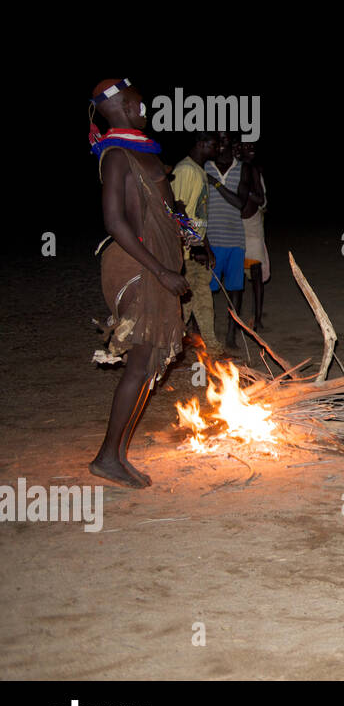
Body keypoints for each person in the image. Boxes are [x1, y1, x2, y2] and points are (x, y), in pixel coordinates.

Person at [88, 78, 189, 488]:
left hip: (155, 264)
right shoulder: (116, 155)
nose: (146, 110)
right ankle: (107, 456)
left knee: (147, 366)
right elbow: (115, 223)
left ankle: (116, 454)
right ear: (124, 107)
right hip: (135, 266)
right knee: (139, 365)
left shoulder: (142, 153)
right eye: (139, 103)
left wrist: (182, 228)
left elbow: (161, 212)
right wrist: (162, 271)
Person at [170, 129, 219, 348]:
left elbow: (199, 215)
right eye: (214, 145)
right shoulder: (186, 169)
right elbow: (177, 208)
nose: (217, 150)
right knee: (190, 302)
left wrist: (206, 247)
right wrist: (195, 244)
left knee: (199, 300)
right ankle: (174, 349)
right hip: (185, 250)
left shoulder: (198, 170)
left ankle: (210, 347)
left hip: (195, 248)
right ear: (201, 144)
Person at [205, 133, 253, 351]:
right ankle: (203, 334)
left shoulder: (242, 168)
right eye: (218, 141)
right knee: (205, 290)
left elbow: (239, 203)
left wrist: (215, 184)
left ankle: (231, 335)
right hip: (210, 239)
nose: (220, 145)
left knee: (235, 290)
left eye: (224, 142)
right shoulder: (204, 165)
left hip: (235, 239)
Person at [238, 141, 268, 331]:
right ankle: (236, 317)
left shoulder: (254, 170)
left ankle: (257, 317)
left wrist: (245, 192)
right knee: (236, 276)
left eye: (253, 148)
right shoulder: (234, 169)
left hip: (253, 225)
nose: (250, 151)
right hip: (233, 226)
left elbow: (261, 200)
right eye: (246, 147)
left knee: (255, 272)